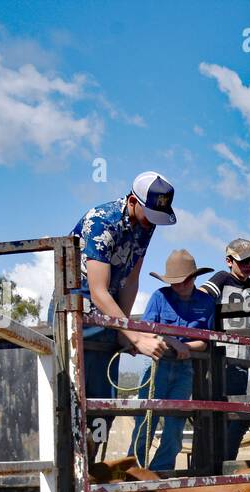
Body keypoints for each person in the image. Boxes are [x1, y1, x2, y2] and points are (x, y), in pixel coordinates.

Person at [68, 172, 177, 449]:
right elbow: (98, 290)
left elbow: (130, 279)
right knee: (72, 402)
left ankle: (92, 474)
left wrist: (122, 331)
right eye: (149, 214)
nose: (151, 222)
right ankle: (72, 474)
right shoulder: (101, 222)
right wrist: (136, 335)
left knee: (104, 406)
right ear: (132, 201)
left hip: (110, 314)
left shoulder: (145, 224)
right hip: (78, 310)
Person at [125, 249, 214, 471]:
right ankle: (133, 471)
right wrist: (174, 342)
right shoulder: (159, 297)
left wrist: (183, 346)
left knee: (174, 425)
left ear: (193, 278)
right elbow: (145, 333)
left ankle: (160, 472)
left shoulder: (206, 302)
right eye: (174, 282)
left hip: (184, 367)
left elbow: (204, 341)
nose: (178, 286)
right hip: (158, 363)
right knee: (146, 421)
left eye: (183, 281)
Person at [199, 239, 250, 461]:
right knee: (225, 411)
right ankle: (217, 461)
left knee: (239, 414)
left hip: (241, 357)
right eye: (243, 261)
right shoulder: (222, 278)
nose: (248, 266)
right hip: (222, 357)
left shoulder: (249, 284)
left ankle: (227, 459)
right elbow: (202, 294)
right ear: (229, 261)